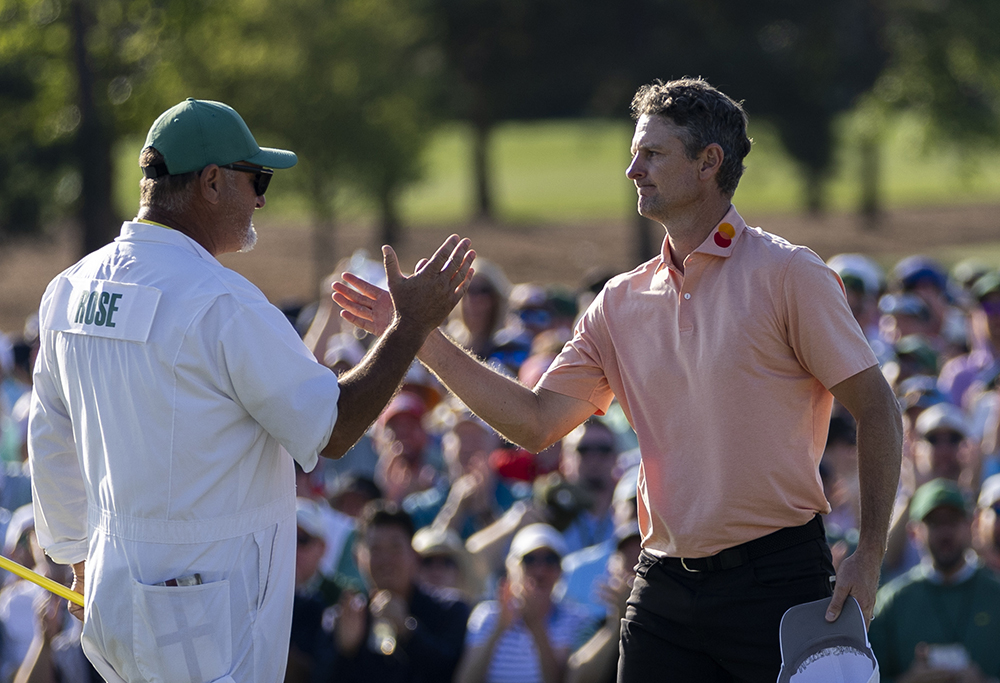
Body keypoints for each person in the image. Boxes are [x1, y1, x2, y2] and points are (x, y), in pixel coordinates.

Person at [333, 77, 902, 681]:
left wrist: (869, 554)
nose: (634, 170)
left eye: (652, 153)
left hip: (778, 578)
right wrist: (418, 336)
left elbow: (878, 409)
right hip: (662, 586)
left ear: (709, 162)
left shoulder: (789, 274)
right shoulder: (618, 302)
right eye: (635, 153)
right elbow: (536, 423)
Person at [27, 98, 475, 682]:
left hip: (113, 591)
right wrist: (410, 325)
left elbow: (50, 442)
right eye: (256, 178)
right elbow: (334, 428)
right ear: (212, 181)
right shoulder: (221, 301)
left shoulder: (69, 289)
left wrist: (78, 562)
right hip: (202, 615)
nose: (261, 199)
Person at [316, 501, 470, 683]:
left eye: (395, 547)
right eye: (375, 549)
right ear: (358, 558)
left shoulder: (449, 611)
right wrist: (345, 651)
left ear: (414, 555)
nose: (386, 559)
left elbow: (454, 672)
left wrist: (407, 631)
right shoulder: (342, 618)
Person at [869, 478, 1000, 681]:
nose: (945, 532)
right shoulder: (892, 601)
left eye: (953, 521)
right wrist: (909, 680)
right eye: (934, 523)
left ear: (970, 525)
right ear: (914, 532)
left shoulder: (994, 593)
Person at [455, 523, 589, 683]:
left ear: (560, 570)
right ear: (511, 567)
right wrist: (500, 628)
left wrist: (536, 625)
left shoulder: (576, 619)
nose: (540, 571)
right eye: (529, 560)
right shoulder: (486, 615)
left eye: (550, 560)